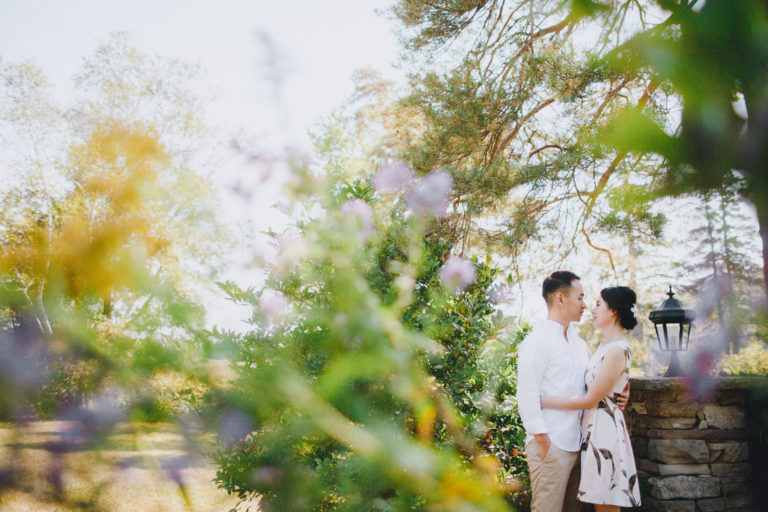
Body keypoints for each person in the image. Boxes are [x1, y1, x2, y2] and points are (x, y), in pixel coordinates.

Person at [516, 271, 629, 512]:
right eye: (580, 298)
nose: (585, 305)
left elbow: (595, 387)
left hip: (580, 444)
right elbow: (526, 393)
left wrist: (622, 393)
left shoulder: (580, 345)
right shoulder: (536, 342)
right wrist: (541, 439)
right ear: (560, 298)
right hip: (551, 443)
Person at [540, 286, 641, 510]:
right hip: (594, 432)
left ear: (613, 310)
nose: (592, 309)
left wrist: (543, 401)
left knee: (605, 504)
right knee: (599, 503)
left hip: (605, 435)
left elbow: (589, 400)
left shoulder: (616, 350)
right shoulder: (605, 346)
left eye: (598, 304)